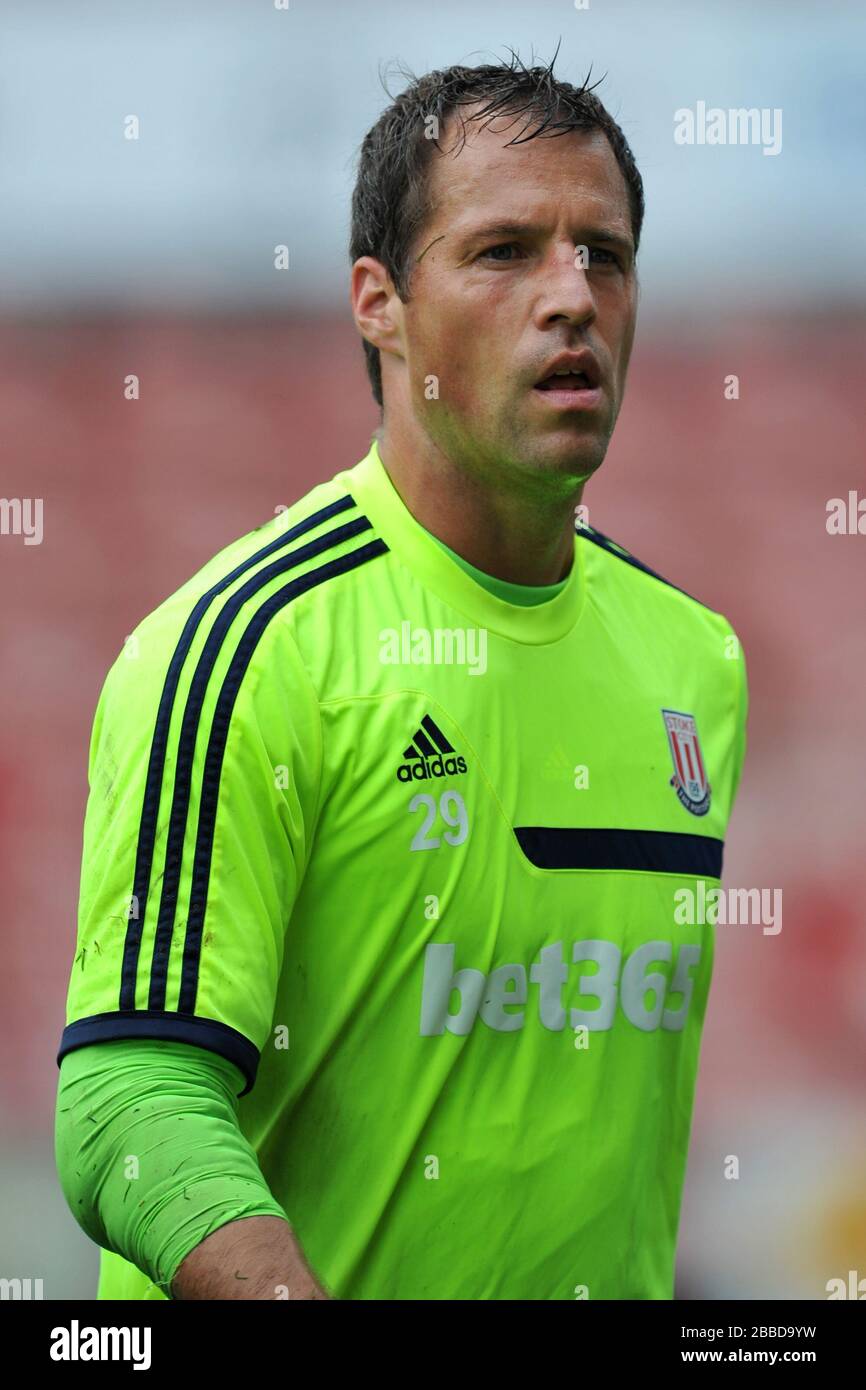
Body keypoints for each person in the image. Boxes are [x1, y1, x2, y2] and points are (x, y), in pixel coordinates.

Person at [55, 51, 748, 1301]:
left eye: (604, 253)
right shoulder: (244, 645)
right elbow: (123, 1097)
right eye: (502, 252)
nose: (571, 296)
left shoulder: (694, 661)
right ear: (378, 302)